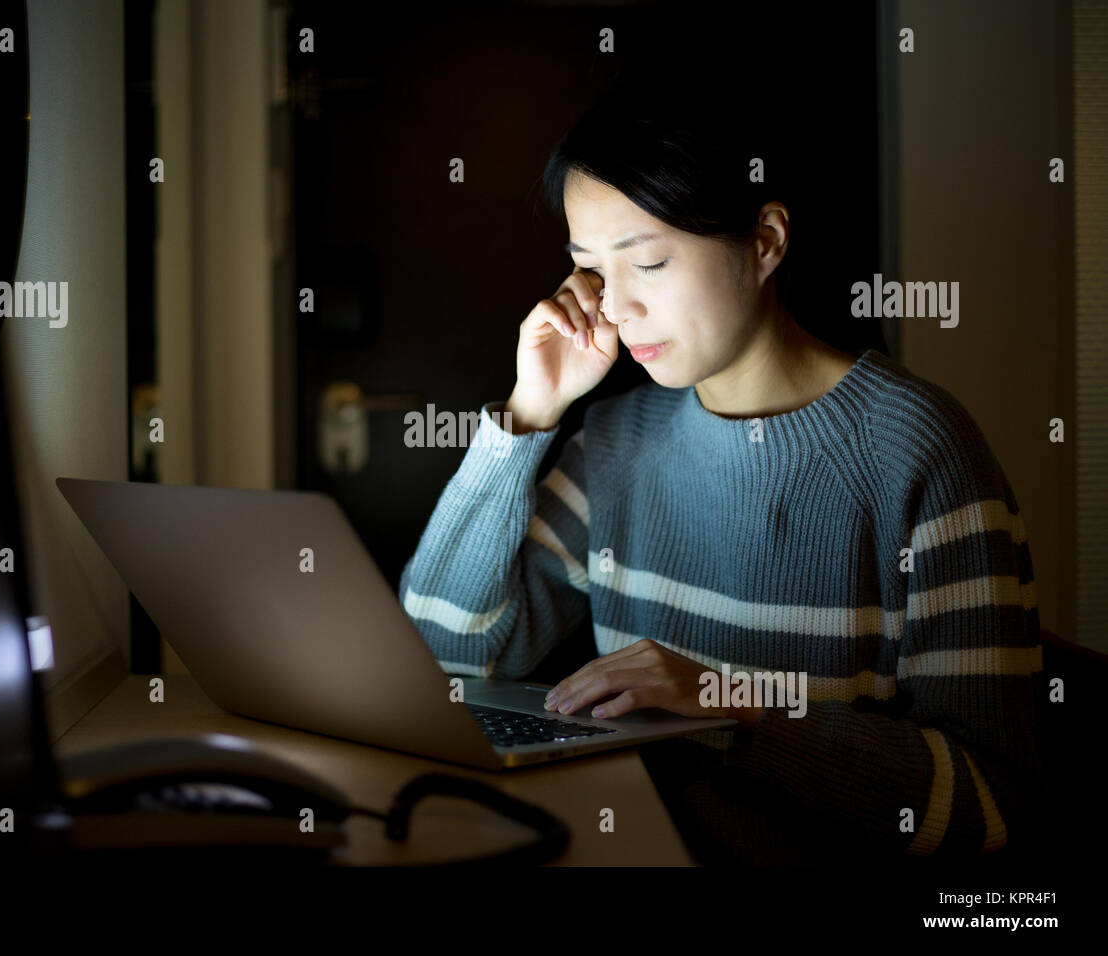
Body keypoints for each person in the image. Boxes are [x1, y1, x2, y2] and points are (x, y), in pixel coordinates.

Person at [397, 88, 1043, 864]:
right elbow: (443, 659)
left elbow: (987, 809)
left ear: (766, 241)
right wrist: (527, 417)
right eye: (591, 274)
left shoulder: (918, 450)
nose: (617, 308)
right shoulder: (616, 440)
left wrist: (732, 702)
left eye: (649, 262)